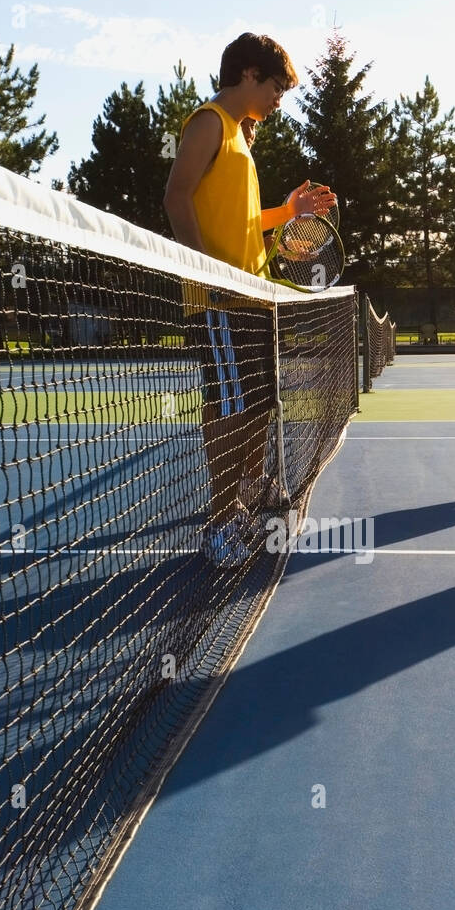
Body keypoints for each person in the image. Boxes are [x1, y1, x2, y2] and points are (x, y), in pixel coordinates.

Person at [163, 32, 334, 565]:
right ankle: (218, 524)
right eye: (277, 85)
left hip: (251, 298)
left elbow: (241, 224)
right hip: (218, 301)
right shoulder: (210, 122)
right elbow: (175, 194)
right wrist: (204, 269)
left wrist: (287, 213)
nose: (281, 97)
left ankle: (240, 504)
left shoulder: (242, 137)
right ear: (248, 75)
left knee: (258, 408)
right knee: (230, 409)